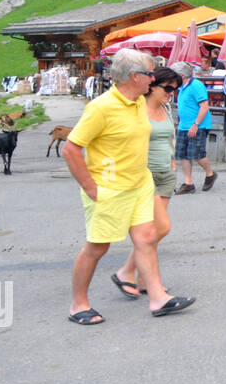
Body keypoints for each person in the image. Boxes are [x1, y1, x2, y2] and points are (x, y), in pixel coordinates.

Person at [63, 48, 194, 323]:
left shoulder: (137, 102)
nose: (153, 78)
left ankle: (159, 298)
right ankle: (78, 305)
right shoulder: (101, 108)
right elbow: (71, 148)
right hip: (110, 188)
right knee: (97, 248)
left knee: (146, 237)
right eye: (150, 73)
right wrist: (89, 187)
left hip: (140, 184)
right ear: (135, 77)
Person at [115, 66, 182, 298]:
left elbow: (168, 136)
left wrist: (173, 161)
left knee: (153, 232)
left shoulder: (166, 108)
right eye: (168, 88)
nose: (171, 93)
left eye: (175, 89)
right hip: (146, 175)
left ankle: (143, 279)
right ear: (152, 85)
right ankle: (127, 272)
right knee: (160, 228)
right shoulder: (137, 109)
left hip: (166, 174)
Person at [173, 61, 217, 194]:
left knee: (197, 154)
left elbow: (204, 106)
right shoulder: (183, 87)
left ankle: (210, 173)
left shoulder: (196, 85)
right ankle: (188, 182)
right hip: (184, 125)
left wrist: (196, 124)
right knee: (183, 154)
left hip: (197, 125)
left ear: (181, 75)